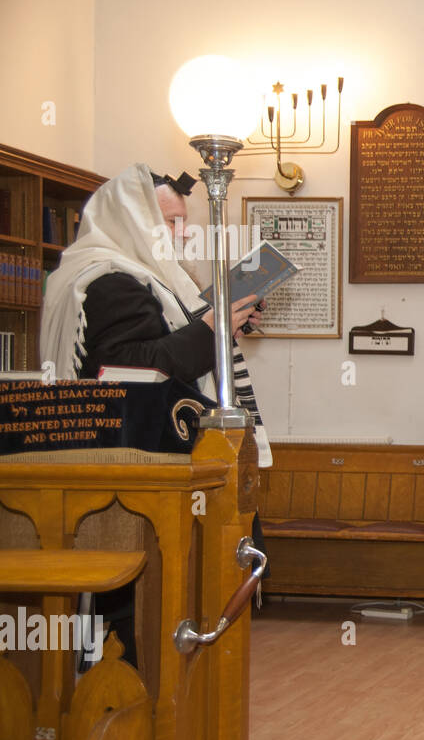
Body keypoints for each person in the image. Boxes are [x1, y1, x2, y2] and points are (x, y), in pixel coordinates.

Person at [39, 163, 272, 666]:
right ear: (130, 219)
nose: (181, 233)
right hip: (129, 473)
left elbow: (158, 348)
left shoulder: (119, 272)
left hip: (130, 470)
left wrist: (216, 324)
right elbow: (131, 372)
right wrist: (210, 329)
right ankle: (126, 705)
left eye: (183, 222)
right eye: (167, 221)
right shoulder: (110, 280)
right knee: (135, 619)